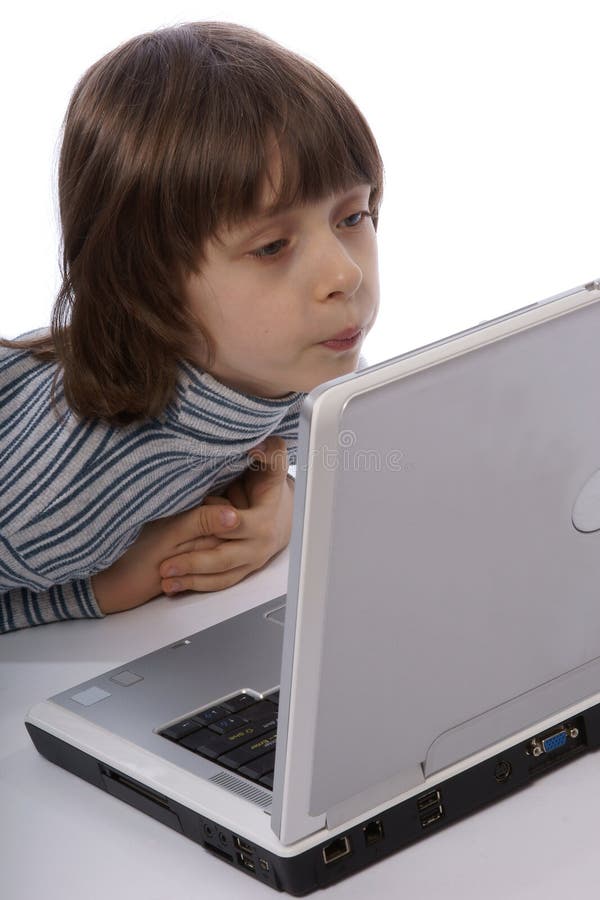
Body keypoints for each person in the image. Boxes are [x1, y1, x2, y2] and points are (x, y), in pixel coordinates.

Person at [0, 21, 384, 633]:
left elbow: (349, 460)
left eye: (353, 217)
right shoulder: (68, 493)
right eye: (271, 246)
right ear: (147, 286)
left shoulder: (294, 363)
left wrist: (282, 509)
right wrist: (98, 590)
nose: (345, 274)